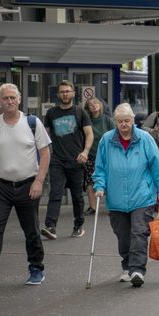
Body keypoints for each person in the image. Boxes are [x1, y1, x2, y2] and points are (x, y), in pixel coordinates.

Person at [0, 83, 52, 290]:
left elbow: (45, 153)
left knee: (32, 230)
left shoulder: (32, 123)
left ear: (19, 100)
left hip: (28, 185)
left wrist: (38, 182)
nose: (9, 101)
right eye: (5, 98)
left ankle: (36, 269)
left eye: (12, 98)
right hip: (0, 186)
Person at [92, 103, 159, 288]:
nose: (124, 124)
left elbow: (157, 166)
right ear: (115, 122)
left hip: (142, 196)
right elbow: (100, 167)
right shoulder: (106, 140)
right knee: (123, 235)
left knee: (139, 232)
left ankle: (137, 270)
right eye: (120, 121)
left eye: (127, 120)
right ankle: (127, 265)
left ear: (133, 121)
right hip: (117, 198)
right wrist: (99, 186)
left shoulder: (144, 139)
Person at [42, 81, 93, 239]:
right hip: (57, 161)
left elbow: (89, 134)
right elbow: (45, 135)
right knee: (55, 194)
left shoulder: (80, 112)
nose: (65, 94)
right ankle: (50, 226)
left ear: (73, 93)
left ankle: (78, 226)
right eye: (62, 92)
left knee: (77, 197)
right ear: (58, 94)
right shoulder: (51, 113)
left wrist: (85, 152)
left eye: (67, 91)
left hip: (77, 161)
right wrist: (45, 153)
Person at [83, 98, 115, 215]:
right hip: (91, 155)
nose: (94, 106)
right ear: (88, 108)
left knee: (110, 181)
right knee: (90, 181)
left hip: (106, 155)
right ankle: (93, 207)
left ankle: (112, 206)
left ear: (100, 105)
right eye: (90, 105)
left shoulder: (107, 120)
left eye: (95, 103)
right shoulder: (87, 121)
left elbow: (115, 136)